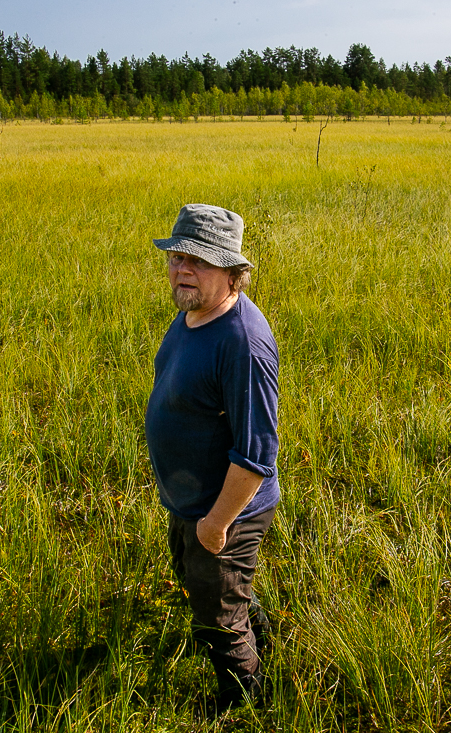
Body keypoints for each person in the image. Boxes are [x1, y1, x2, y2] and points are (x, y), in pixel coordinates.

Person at [145, 203, 280, 713]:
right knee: (204, 584)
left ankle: (245, 703)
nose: (182, 268)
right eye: (177, 256)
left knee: (216, 620)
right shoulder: (194, 311)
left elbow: (255, 457)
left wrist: (216, 525)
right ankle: (255, 624)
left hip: (223, 510)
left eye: (197, 261)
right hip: (192, 502)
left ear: (232, 272)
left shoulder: (243, 344)